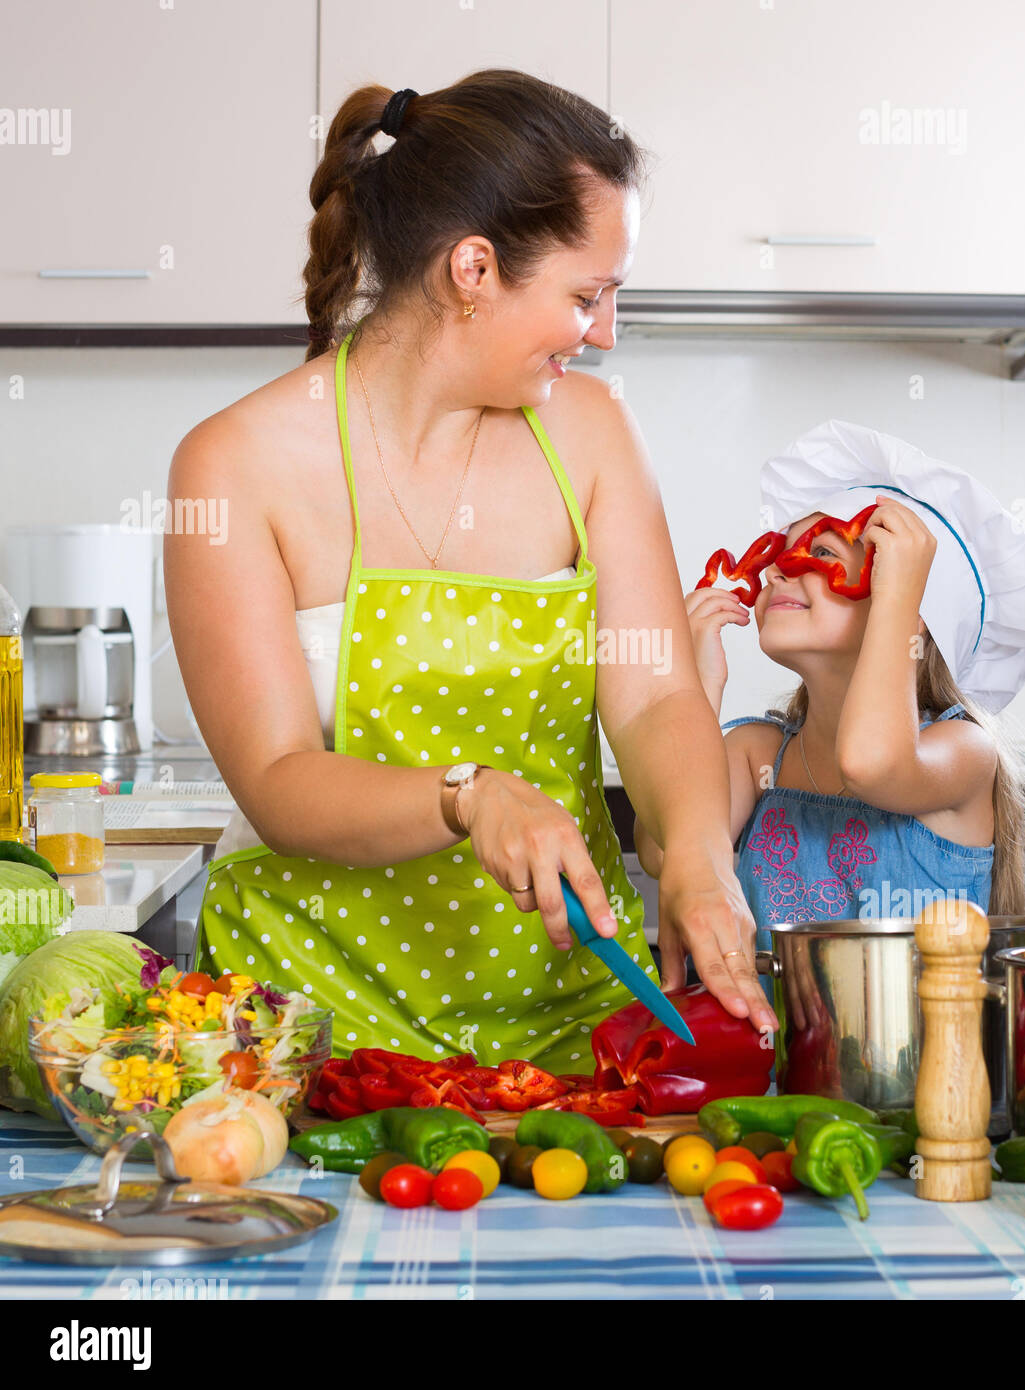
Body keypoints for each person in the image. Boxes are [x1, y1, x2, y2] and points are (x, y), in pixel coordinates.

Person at [164, 71, 776, 1075]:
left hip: (573, 1001)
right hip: (313, 1025)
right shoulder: (234, 464)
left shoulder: (591, 432)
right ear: (474, 268)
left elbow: (657, 691)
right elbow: (278, 781)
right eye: (585, 296)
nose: (607, 332)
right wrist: (467, 795)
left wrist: (702, 863)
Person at [635, 418, 1025, 964]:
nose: (779, 572)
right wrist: (693, 691)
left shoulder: (963, 751)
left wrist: (900, 601)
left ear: (912, 612)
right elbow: (663, 850)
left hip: (916, 1050)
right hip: (777, 1049)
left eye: (825, 556)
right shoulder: (757, 754)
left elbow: (871, 764)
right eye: (780, 554)